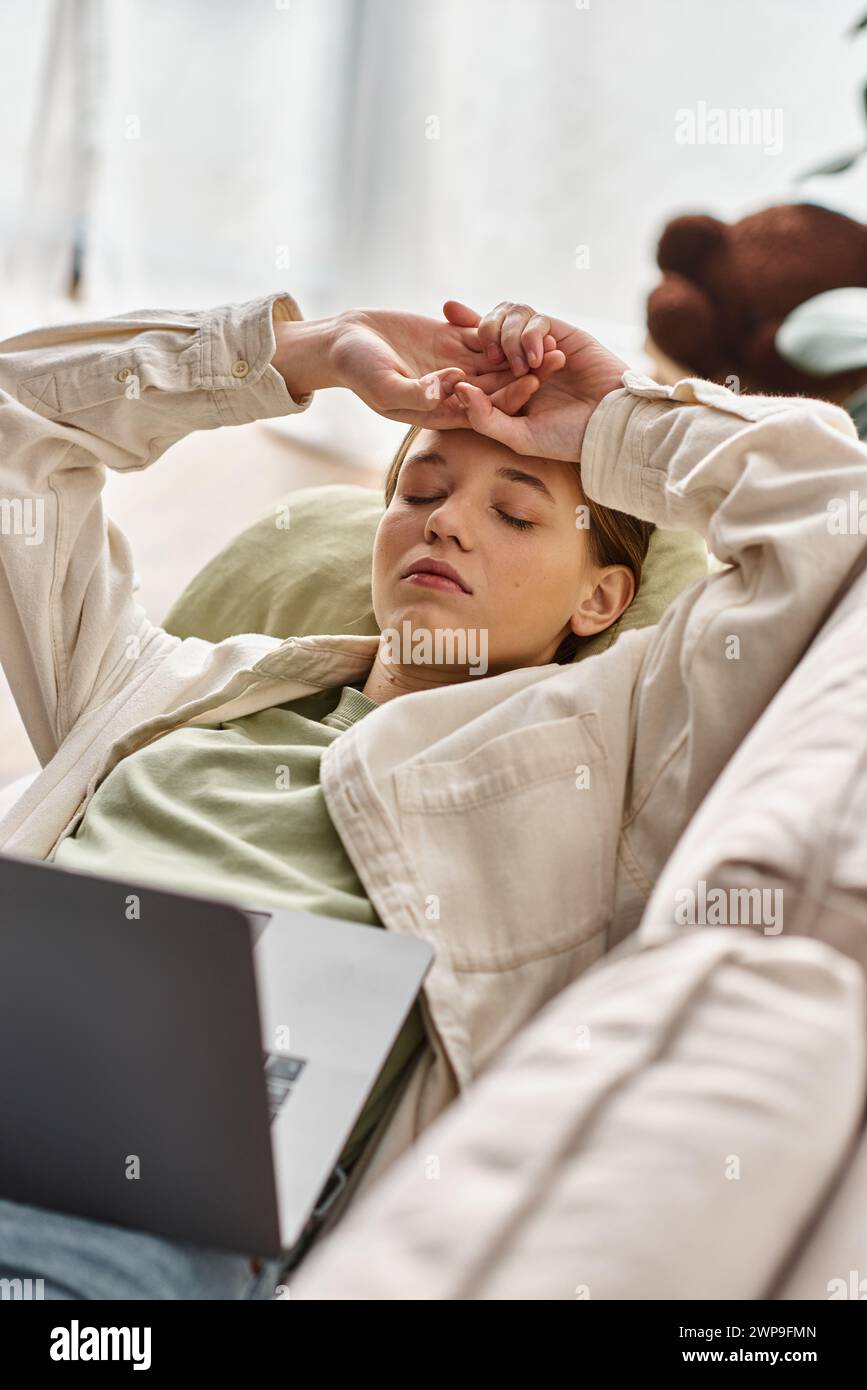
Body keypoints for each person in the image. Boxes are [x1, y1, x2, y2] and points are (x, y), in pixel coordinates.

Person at [1, 291, 865, 1298]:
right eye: (419, 491)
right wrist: (310, 352)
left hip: (123, 1198)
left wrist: (620, 423)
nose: (447, 522)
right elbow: (22, 420)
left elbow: (835, 520)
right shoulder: (154, 690)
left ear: (602, 599)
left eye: (513, 510)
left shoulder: (607, 769)